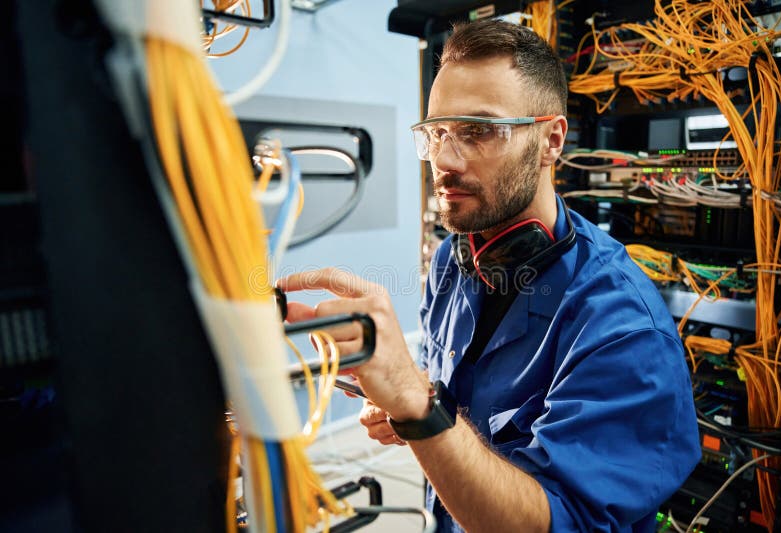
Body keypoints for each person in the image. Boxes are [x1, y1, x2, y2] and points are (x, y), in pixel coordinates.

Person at [278, 18, 700, 533]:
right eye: (436, 132)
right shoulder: (456, 260)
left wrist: (419, 410)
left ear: (551, 141)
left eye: (478, 131)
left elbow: (559, 523)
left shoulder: (624, 328)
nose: (444, 160)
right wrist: (404, 399)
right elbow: (448, 402)